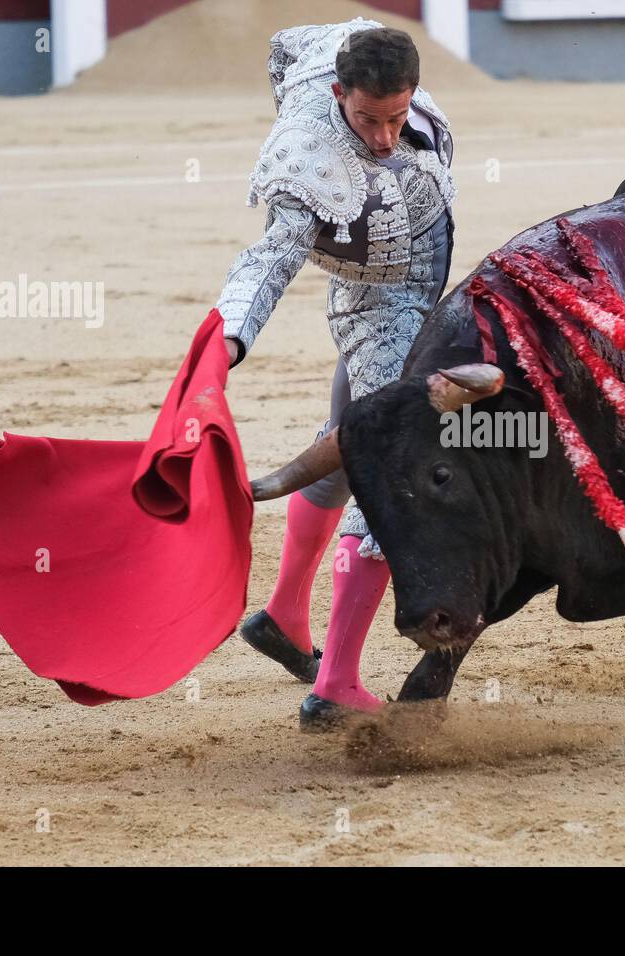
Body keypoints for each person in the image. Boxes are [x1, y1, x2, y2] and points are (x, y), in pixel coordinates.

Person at [214, 18, 455, 730]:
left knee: (341, 446)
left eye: (396, 116)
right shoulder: (303, 157)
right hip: (381, 304)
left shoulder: (342, 52)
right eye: (366, 119)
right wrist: (230, 339)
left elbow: (286, 39)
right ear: (339, 94)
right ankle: (339, 681)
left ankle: (287, 615)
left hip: (415, 286)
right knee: (391, 469)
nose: (383, 136)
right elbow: (269, 260)